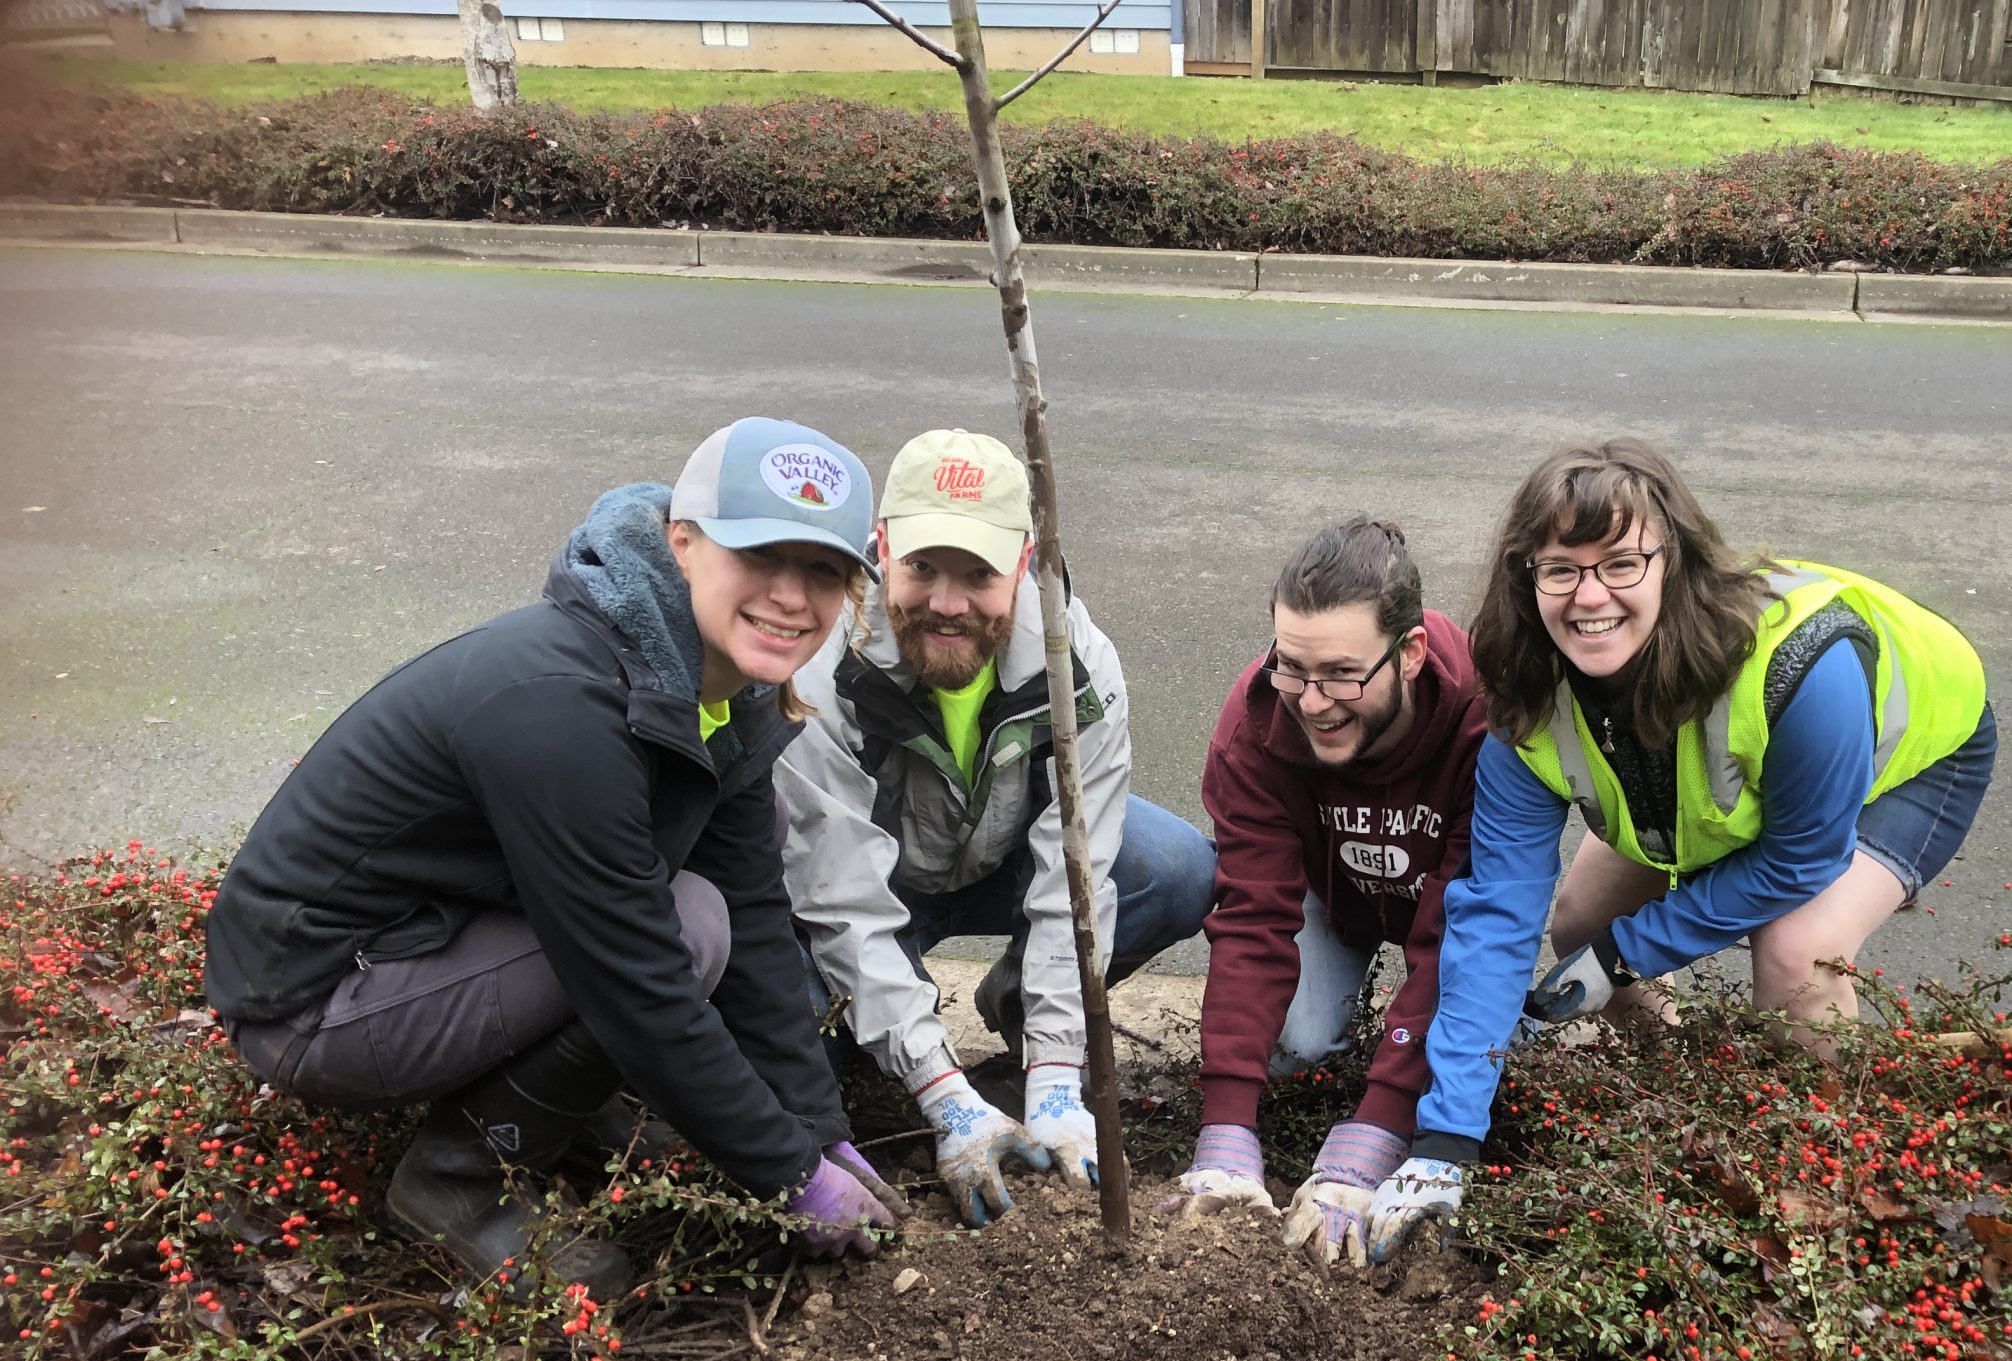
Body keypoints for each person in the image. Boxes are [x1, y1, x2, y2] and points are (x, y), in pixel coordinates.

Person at [205, 419, 910, 1294]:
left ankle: (566, 1112)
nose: (793, 597)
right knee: (686, 927)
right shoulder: (562, 704)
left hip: (440, 936)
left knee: (715, 904)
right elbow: (633, 978)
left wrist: (816, 1127)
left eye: (824, 571)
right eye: (760, 554)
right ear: (682, 543)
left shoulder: (725, 689)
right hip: (312, 1002)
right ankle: (457, 1181)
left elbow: (757, 912)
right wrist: (789, 1176)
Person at [1368, 437, 1995, 1262]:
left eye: (1621, 563)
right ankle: (1677, 1095)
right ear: (1526, 576)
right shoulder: (1526, 692)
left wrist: (1624, 956)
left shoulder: (1799, 666)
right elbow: (1495, 916)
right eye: (1560, 569)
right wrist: (1444, 1143)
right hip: (1715, 789)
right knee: (1581, 918)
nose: (1590, 596)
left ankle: (1824, 1175)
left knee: (1798, 953)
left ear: (1675, 558)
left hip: (1905, 766)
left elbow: (1797, 859)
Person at [779, 431, 1215, 1228]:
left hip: (1000, 866)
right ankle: (907, 1073)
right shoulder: (823, 670)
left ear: (1024, 561)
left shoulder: (1077, 667)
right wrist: (940, 1091)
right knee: (793, 1012)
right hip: (874, 885)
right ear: (881, 550)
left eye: (979, 574)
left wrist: (1056, 1072)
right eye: (922, 568)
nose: (947, 603)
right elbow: (841, 900)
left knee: (1174, 867)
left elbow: (1075, 878)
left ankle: (1018, 1040)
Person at [1166, 518, 1486, 1264]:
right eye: (1293, 668)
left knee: (1487, 1037)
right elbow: (1253, 918)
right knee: (1299, 1045)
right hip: (1333, 896)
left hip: (1446, 907)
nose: (1311, 702)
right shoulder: (1256, 723)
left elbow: (1461, 934)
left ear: (1410, 654)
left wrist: (1379, 1125)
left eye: (1342, 674)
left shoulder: (1484, 720)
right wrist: (1225, 1129)